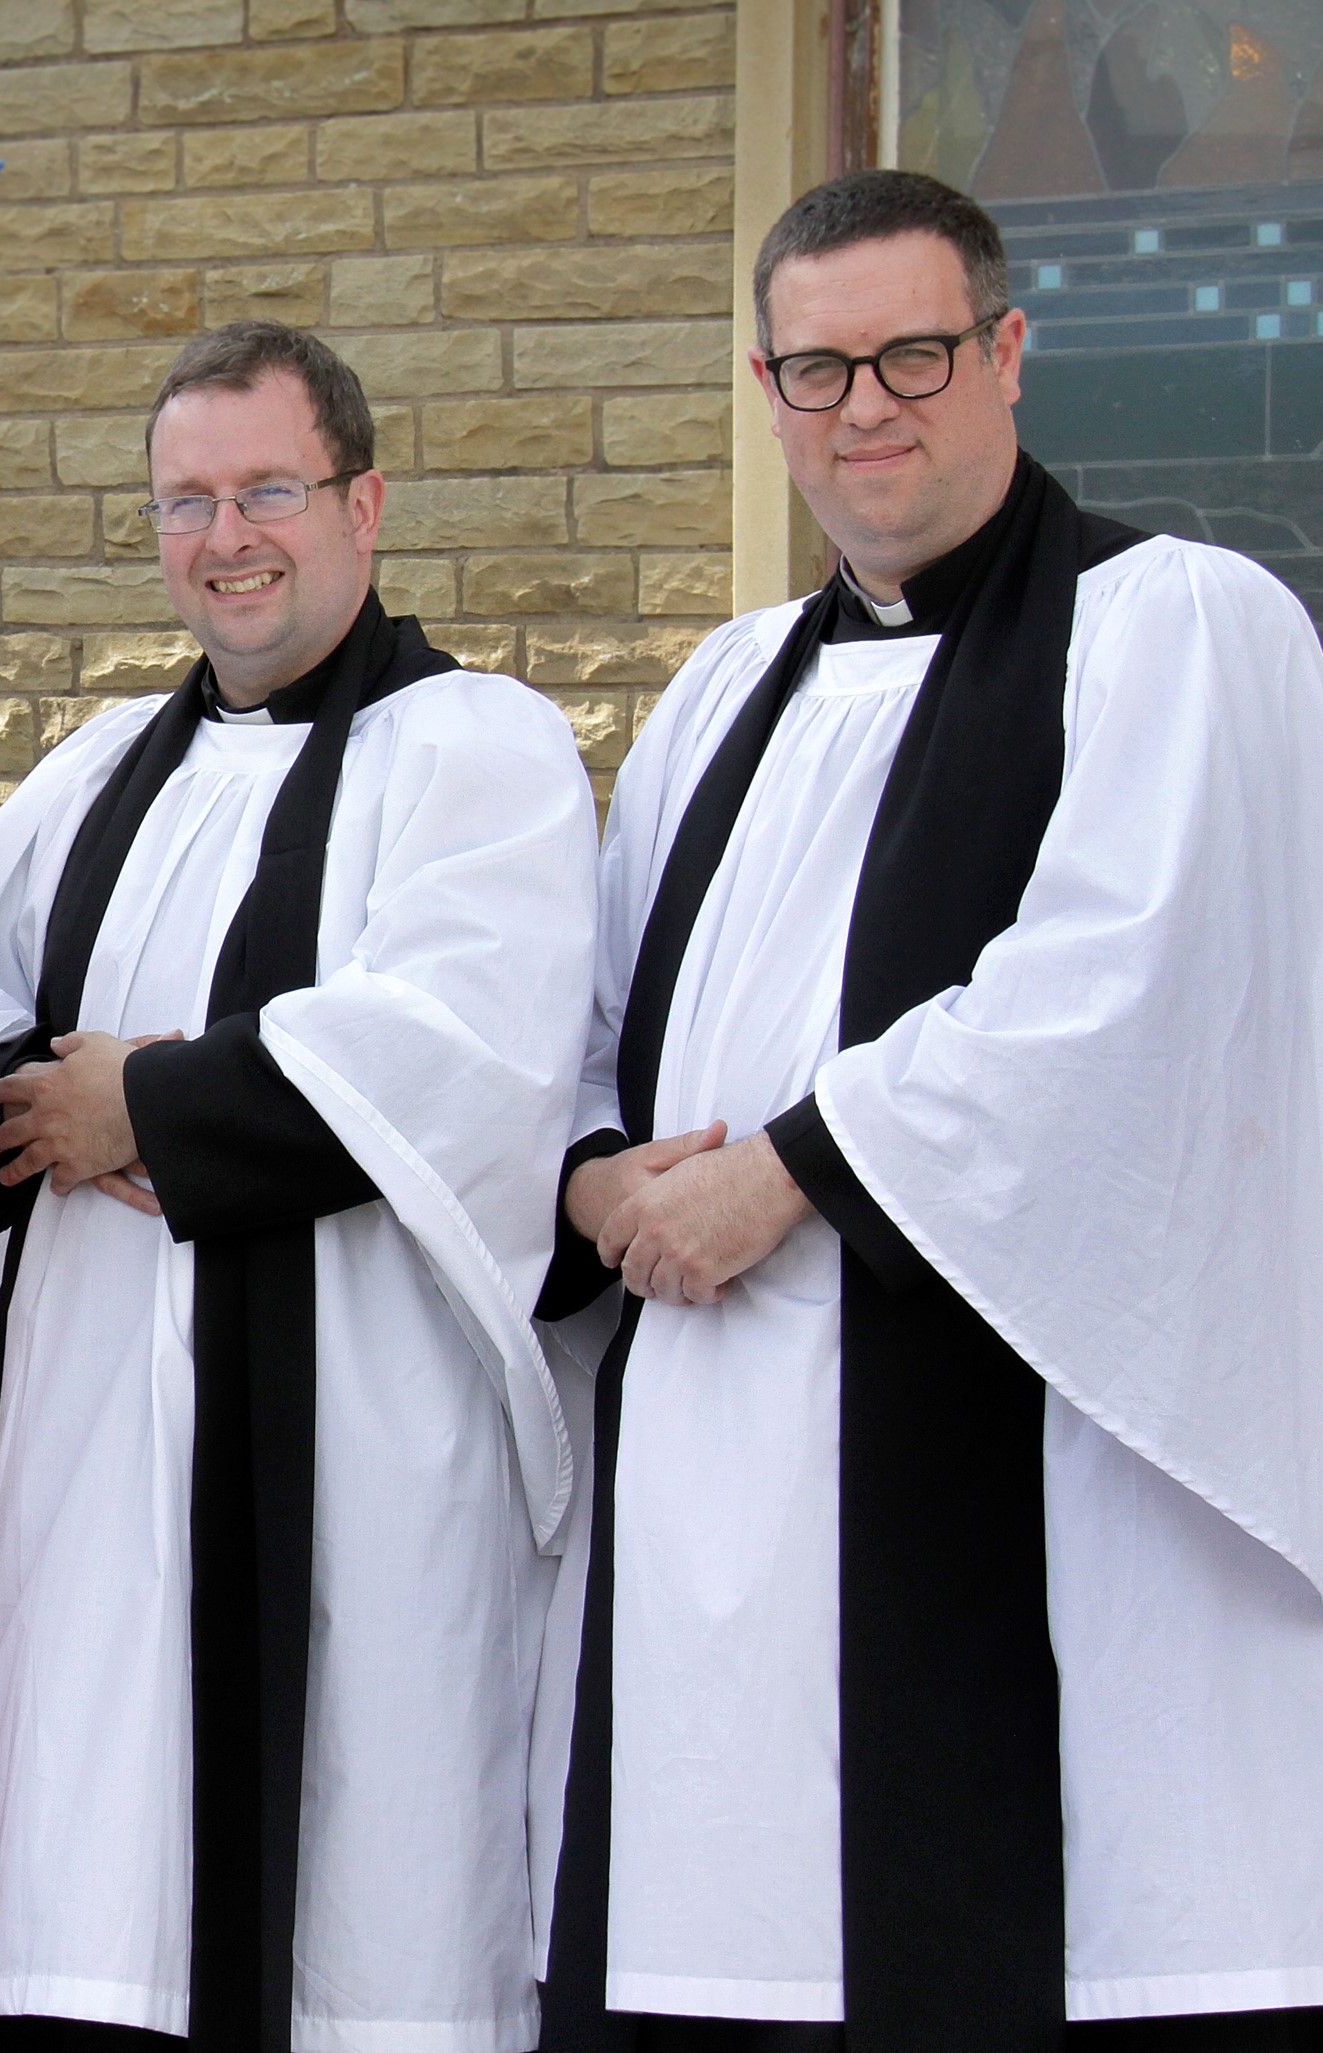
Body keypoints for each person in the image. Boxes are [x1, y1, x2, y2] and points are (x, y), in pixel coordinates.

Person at [540, 168, 1323, 2053]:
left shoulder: (1180, 622)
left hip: (1036, 1459)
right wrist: (585, 1177)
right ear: (763, 385)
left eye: (909, 353)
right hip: (716, 1462)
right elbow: (585, 1004)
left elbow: (1119, 991)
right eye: (814, 369)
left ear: (1004, 352)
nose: (863, 406)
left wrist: (792, 1170)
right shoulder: (723, 685)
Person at [0, 321, 597, 2052]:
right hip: (88, 1460)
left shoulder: (474, 746)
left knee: (346, 1912)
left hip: (352, 1446)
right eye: (183, 502)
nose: (225, 537)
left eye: (265, 488)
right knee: (91, 1877)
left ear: (362, 498)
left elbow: (462, 1038)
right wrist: (49, 1098)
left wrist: (149, 1100)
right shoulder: (94, 769)